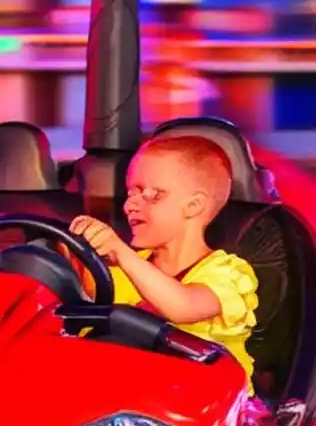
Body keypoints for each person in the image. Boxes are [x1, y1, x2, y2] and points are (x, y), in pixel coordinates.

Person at [69, 135, 260, 389]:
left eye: (153, 195)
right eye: (131, 192)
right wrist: (70, 250)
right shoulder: (122, 268)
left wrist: (121, 251)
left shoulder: (228, 274)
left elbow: (183, 306)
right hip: (134, 404)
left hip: (209, 407)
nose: (129, 205)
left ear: (193, 206)